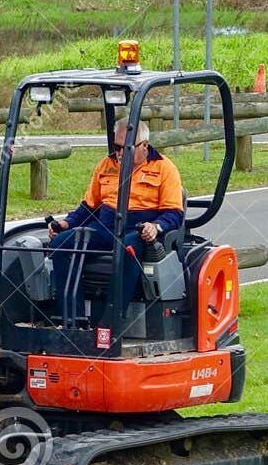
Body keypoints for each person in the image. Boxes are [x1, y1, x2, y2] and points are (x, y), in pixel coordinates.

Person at [47, 117, 184, 323]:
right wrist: (67, 223)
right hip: (105, 226)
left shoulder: (164, 168)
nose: (119, 153)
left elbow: (174, 212)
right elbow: (89, 206)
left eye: (124, 148)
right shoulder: (107, 164)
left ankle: (110, 322)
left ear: (144, 145)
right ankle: (72, 320)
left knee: (126, 249)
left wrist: (155, 227)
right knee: (61, 245)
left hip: (137, 231)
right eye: (116, 147)